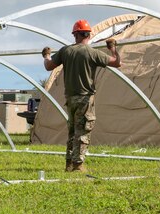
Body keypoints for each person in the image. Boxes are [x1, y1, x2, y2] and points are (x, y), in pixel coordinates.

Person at [42, 19, 121, 172]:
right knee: (83, 131)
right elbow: (117, 62)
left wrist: (46, 55)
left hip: (70, 99)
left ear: (75, 35)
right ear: (88, 35)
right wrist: (112, 48)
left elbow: (48, 66)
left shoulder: (65, 51)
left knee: (72, 131)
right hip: (85, 99)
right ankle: (78, 165)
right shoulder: (93, 53)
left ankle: (69, 164)